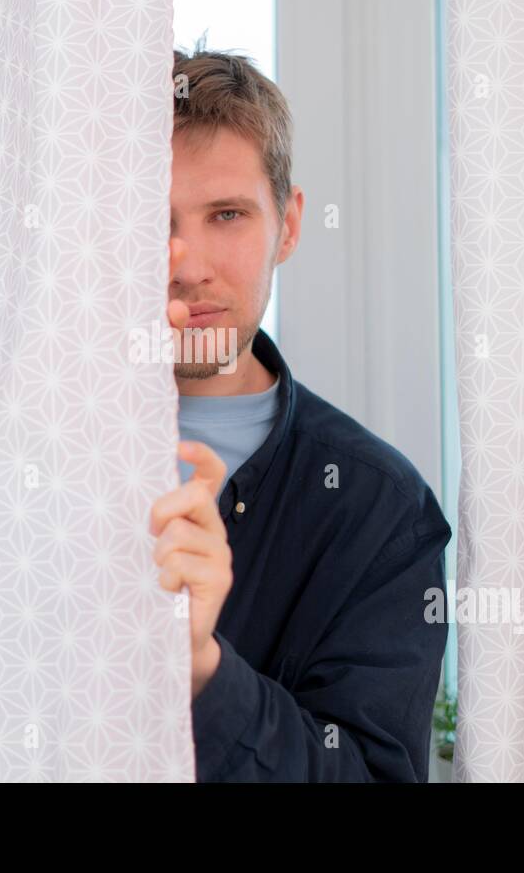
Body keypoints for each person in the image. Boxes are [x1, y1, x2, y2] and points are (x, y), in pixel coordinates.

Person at [149, 42, 452, 782]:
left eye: (227, 214)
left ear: (288, 225)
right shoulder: (30, 453)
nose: (188, 262)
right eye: (154, 220)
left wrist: (203, 670)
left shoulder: (382, 510)